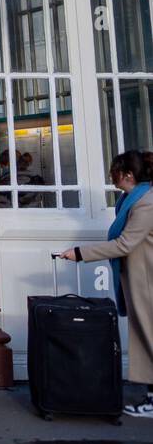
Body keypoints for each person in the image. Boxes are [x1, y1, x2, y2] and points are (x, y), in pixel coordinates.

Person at [59, 149, 153, 418]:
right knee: (146, 337)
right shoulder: (131, 199)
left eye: (115, 176)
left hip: (146, 280)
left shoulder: (145, 203)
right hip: (140, 278)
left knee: (149, 337)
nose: (113, 181)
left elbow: (125, 244)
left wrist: (80, 253)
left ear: (128, 175)